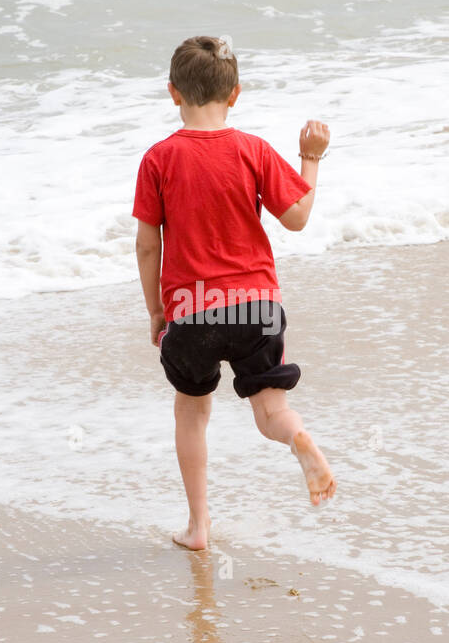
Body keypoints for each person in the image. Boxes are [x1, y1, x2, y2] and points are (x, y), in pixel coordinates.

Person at [133, 34, 336, 550]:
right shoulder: (253, 151)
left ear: (173, 93)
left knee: (192, 412)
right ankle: (298, 438)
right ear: (236, 93)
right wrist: (309, 159)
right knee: (271, 411)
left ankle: (199, 528)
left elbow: (146, 246)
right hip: (258, 309)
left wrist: (158, 310)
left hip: (192, 311)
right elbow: (297, 218)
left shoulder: (158, 159)